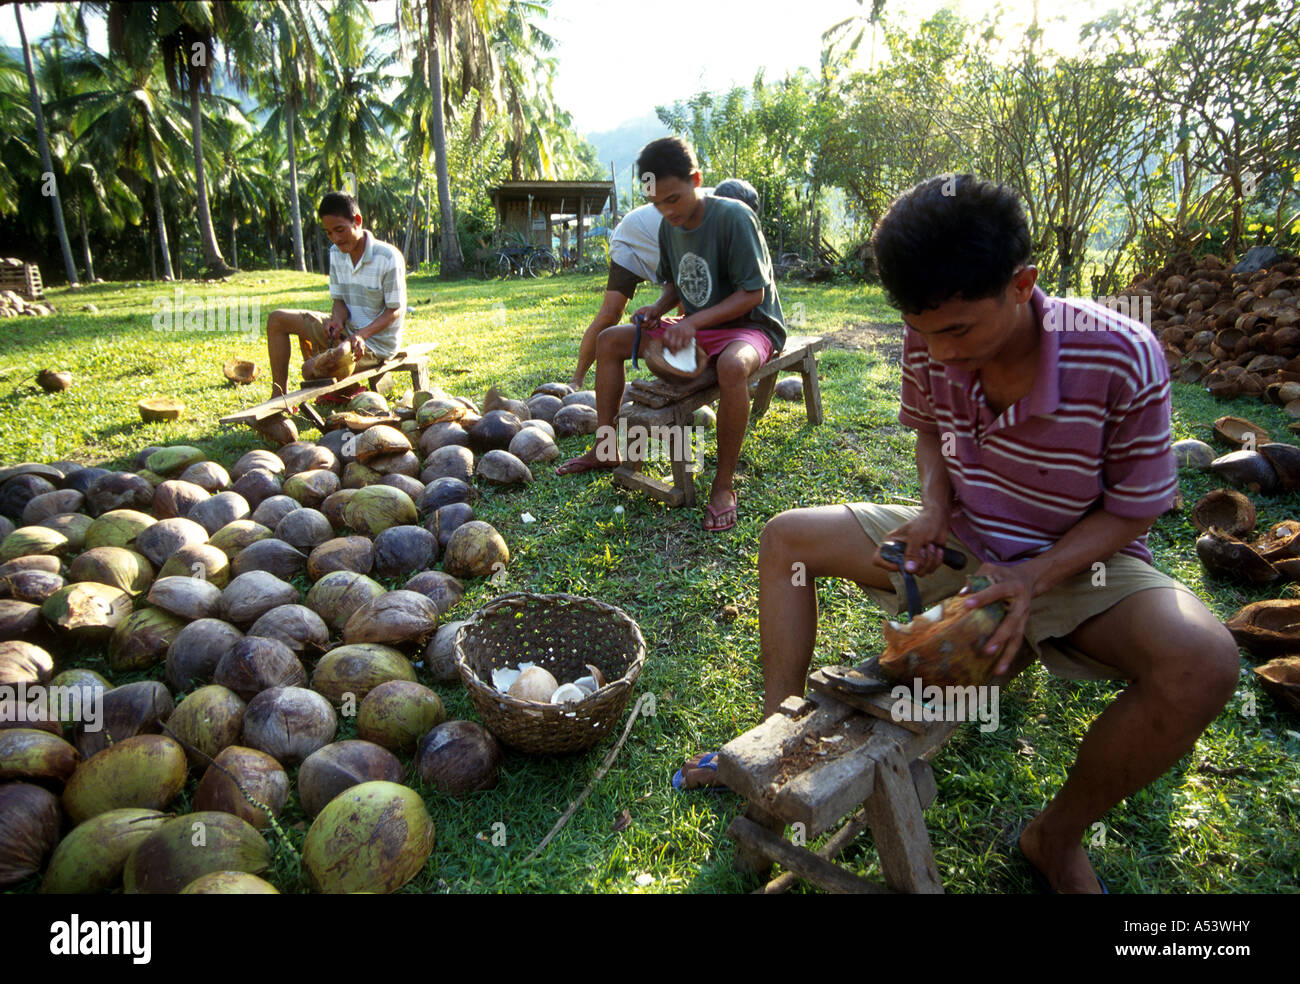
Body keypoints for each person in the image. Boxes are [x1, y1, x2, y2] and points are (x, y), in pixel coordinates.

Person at [741, 174, 1238, 892]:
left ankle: (1055, 839)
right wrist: (936, 506)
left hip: (1076, 568)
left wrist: (1033, 578)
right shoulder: (930, 331)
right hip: (962, 540)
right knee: (787, 539)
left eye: (958, 332)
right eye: (923, 332)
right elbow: (931, 436)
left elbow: (1133, 511)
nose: (938, 354)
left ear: (1022, 284)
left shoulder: (1121, 355)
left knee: (1205, 662)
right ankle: (779, 746)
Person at [556, 140, 783, 532]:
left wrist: (692, 324)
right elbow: (678, 282)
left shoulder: (735, 218)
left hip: (750, 327)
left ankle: (723, 485)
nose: (667, 210)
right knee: (609, 340)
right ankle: (607, 448)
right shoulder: (668, 226)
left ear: (697, 180)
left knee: (731, 367)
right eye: (658, 203)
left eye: (674, 198)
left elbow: (753, 294)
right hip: (697, 327)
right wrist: (658, 310)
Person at [566, 178, 761, 391]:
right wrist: (669, 313)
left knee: (693, 302)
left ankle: (690, 362)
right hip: (632, 240)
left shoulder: (731, 213)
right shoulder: (697, 214)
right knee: (610, 314)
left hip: (657, 239)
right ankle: (576, 380)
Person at [264, 191, 407, 403]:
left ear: (357, 221)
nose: (336, 239)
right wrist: (337, 320)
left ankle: (335, 382)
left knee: (316, 366)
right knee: (277, 319)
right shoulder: (336, 253)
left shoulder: (388, 257)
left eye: (340, 230)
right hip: (345, 334)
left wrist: (361, 336)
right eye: (329, 233)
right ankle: (279, 397)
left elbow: (395, 310)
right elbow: (339, 300)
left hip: (374, 344)